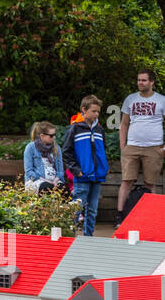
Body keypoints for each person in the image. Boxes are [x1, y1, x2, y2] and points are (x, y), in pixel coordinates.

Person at [118, 69, 165, 223]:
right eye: (139, 80)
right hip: (132, 146)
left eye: (144, 80)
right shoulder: (130, 99)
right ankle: (120, 216)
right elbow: (124, 124)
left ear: (152, 82)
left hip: (154, 147)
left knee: (150, 183)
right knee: (126, 181)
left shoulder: (161, 100)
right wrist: (122, 146)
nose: (140, 83)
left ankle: (152, 219)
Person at [62, 95, 108, 236]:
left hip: (97, 177)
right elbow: (66, 152)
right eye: (93, 111)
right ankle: (71, 236)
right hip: (82, 176)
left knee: (92, 210)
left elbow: (102, 150)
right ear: (84, 110)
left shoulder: (99, 130)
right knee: (77, 208)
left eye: (98, 112)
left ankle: (89, 237)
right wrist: (77, 171)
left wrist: (103, 168)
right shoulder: (75, 129)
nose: (96, 114)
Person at [23, 121, 65, 194]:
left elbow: (60, 171)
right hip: (36, 180)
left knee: (64, 190)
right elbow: (29, 171)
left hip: (54, 180)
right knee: (46, 188)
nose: (54, 137)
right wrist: (46, 181)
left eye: (54, 135)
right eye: (51, 135)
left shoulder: (56, 148)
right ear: (42, 135)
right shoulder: (30, 147)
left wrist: (55, 181)